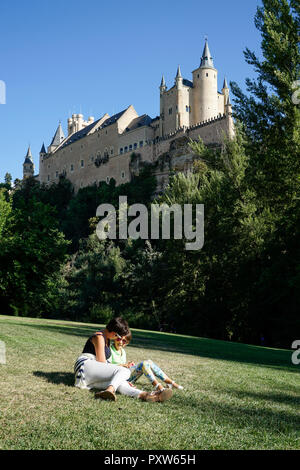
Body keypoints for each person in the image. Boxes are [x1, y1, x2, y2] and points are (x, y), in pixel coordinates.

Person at [74, 317, 172, 403]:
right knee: (124, 371)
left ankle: (146, 395)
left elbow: (104, 366)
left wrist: (120, 378)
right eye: (119, 336)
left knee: (121, 383)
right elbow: (102, 363)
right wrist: (121, 374)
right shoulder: (99, 337)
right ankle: (110, 389)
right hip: (85, 366)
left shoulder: (106, 339)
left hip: (89, 374)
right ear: (114, 332)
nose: (118, 339)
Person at [109, 331, 184, 392]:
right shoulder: (110, 350)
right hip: (119, 379)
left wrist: (129, 365)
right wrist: (123, 365)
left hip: (126, 375)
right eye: (119, 339)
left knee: (149, 362)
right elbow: (107, 367)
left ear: (127, 343)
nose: (121, 342)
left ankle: (170, 382)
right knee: (143, 364)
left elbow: (124, 366)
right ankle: (157, 386)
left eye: (124, 341)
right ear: (115, 338)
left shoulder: (123, 351)